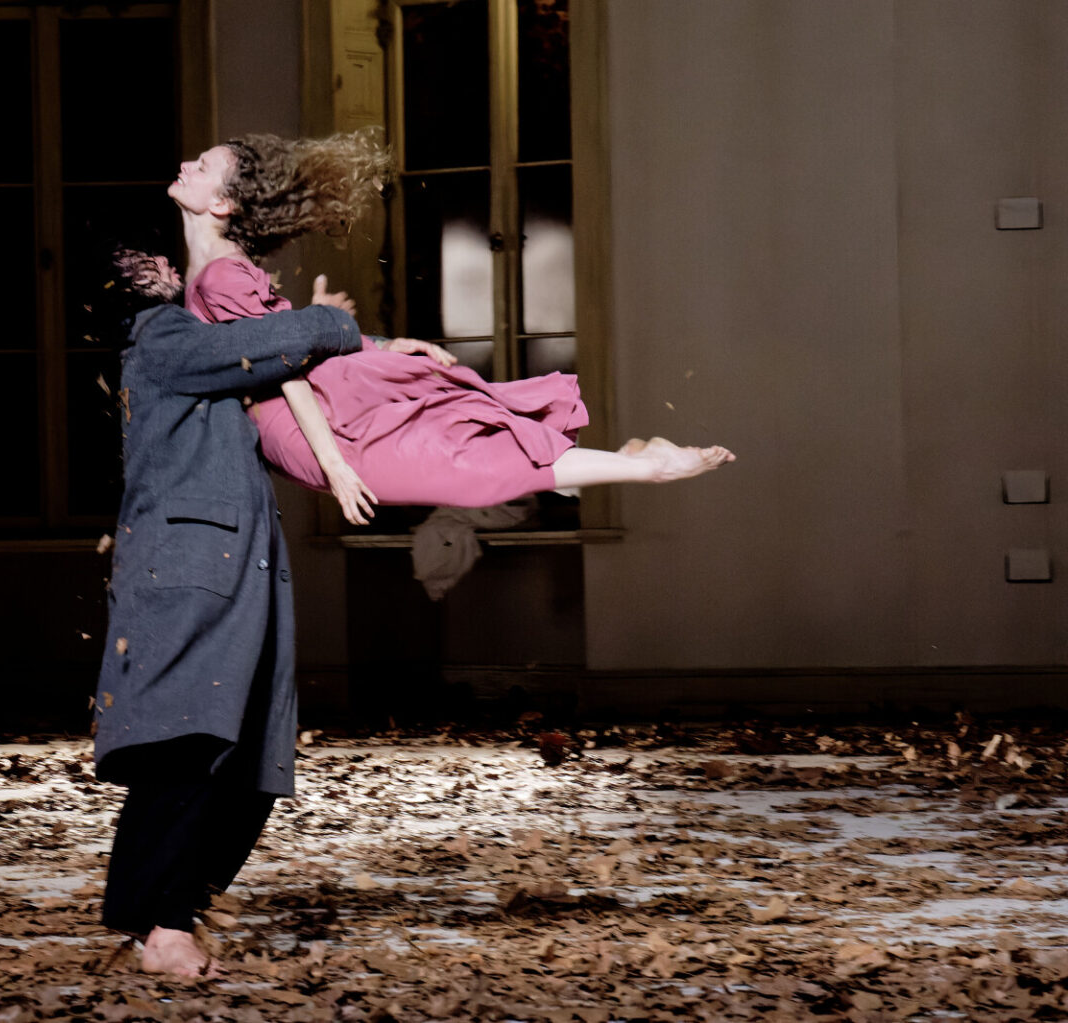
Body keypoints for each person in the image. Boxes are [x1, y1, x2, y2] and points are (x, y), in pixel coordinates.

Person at [168, 129, 735, 525]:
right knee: (459, 455)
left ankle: (645, 467)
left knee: (459, 460)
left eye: (202, 165)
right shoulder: (211, 273)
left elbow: (285, 365)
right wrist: (353, 339)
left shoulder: (220, 274)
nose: (187, 165)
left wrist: (337, 464)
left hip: (302, 423)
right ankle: (640, 466)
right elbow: (278, 347)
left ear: (221, 205)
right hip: (300, 423)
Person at [92, 248, 364, 977]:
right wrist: (329, 321)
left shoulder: (194, 349)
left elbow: (273, 359)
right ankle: (163, 923)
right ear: (130, 288)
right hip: (190, 572)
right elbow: (262, 346)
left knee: (245, 759)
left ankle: (172, 908)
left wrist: (301, 324)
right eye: (138, 258)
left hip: (234, 566)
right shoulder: (164, 336)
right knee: (186, 740)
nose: (158, 257)